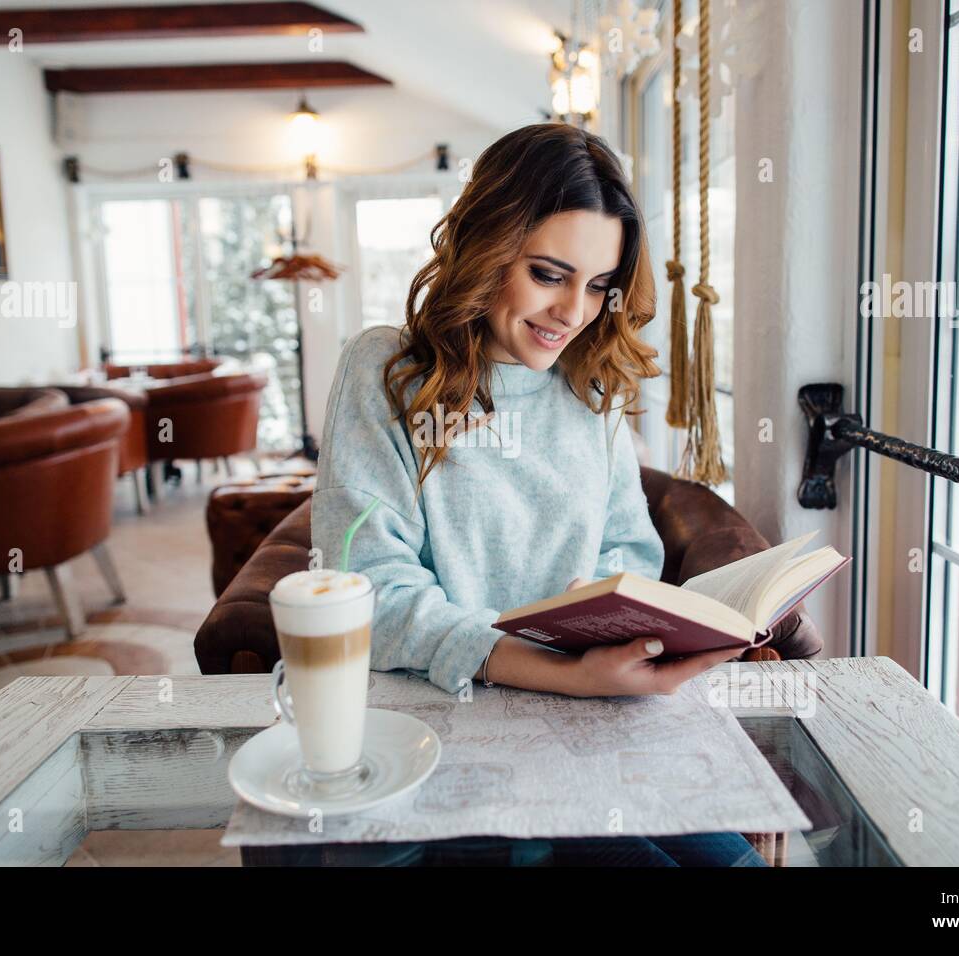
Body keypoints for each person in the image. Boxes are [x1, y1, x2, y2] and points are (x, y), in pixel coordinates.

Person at [309, 122, 765, 867]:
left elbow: (629, 544)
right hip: (431, 722)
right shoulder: (383, 372)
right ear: (485, 246)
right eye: (550, 274)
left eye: (598, 286)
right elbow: (369, 592)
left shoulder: (593, 383)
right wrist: (552, 668)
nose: (573, 312)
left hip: (589, 712)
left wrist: (614, 611)